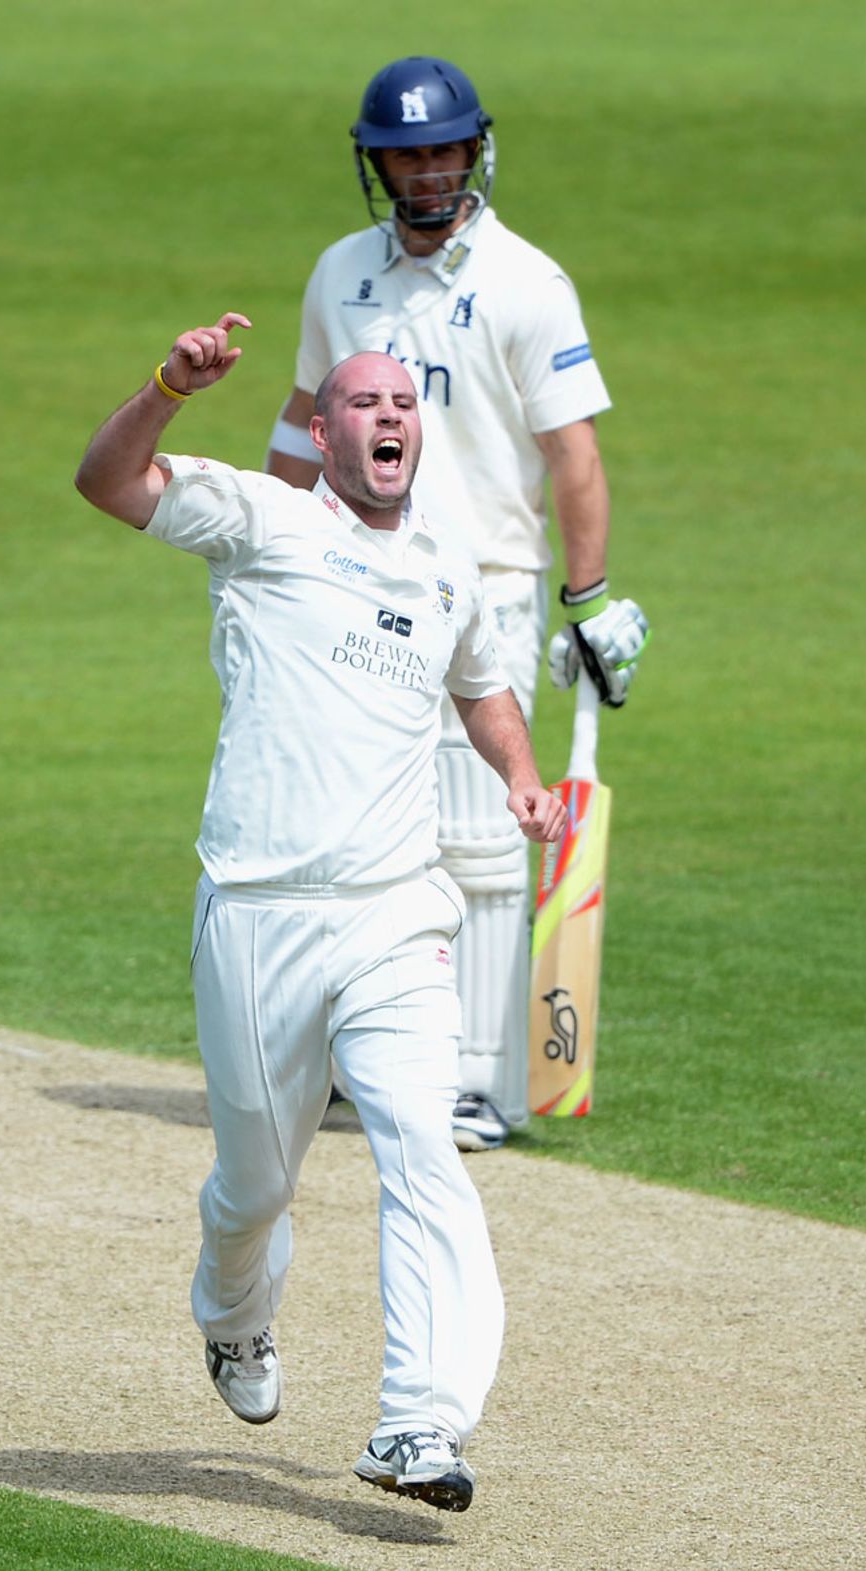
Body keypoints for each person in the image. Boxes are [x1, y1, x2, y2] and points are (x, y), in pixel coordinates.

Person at [74, 314, 566, 1513]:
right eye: (360, 400)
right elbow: (108, 481)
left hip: (397, 913)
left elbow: (483, 687)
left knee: (424, 1151)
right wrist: (166, 387)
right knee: (255, 1187)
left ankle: (420, 1421)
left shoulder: (450, 569)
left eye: (402, 402)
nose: (387, 415)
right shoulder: (263, 519)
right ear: (320, 426)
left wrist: (517, 774)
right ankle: (235, 1319)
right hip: (257, 909)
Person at [266, 57, 649, 1152]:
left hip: (482, 584)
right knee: (353, 820)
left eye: (443, 149)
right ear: (375, 161)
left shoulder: (532, 282)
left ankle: (479, 1080)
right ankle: (361, 1059)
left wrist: (590, 598)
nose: (427, 171)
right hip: (350, 579)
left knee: (482, 836)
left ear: (475, 151)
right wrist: (273, 542)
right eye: (406, 153)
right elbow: (302, 420)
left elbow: (571, 453)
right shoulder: (341, 273)